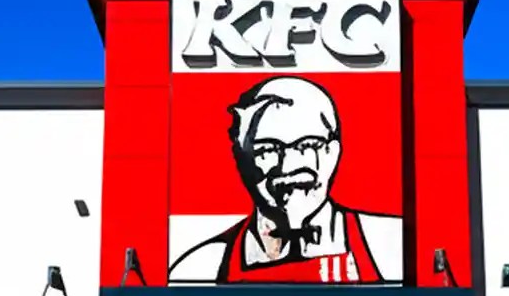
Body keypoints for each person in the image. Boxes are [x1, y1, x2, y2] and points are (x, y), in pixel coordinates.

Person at [170, 76, 402, 283]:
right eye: (268, 149)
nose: (288, 167)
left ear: (333, 152)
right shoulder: (203, 267)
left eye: (307, 145)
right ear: (241, 160)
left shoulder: (386, 245)